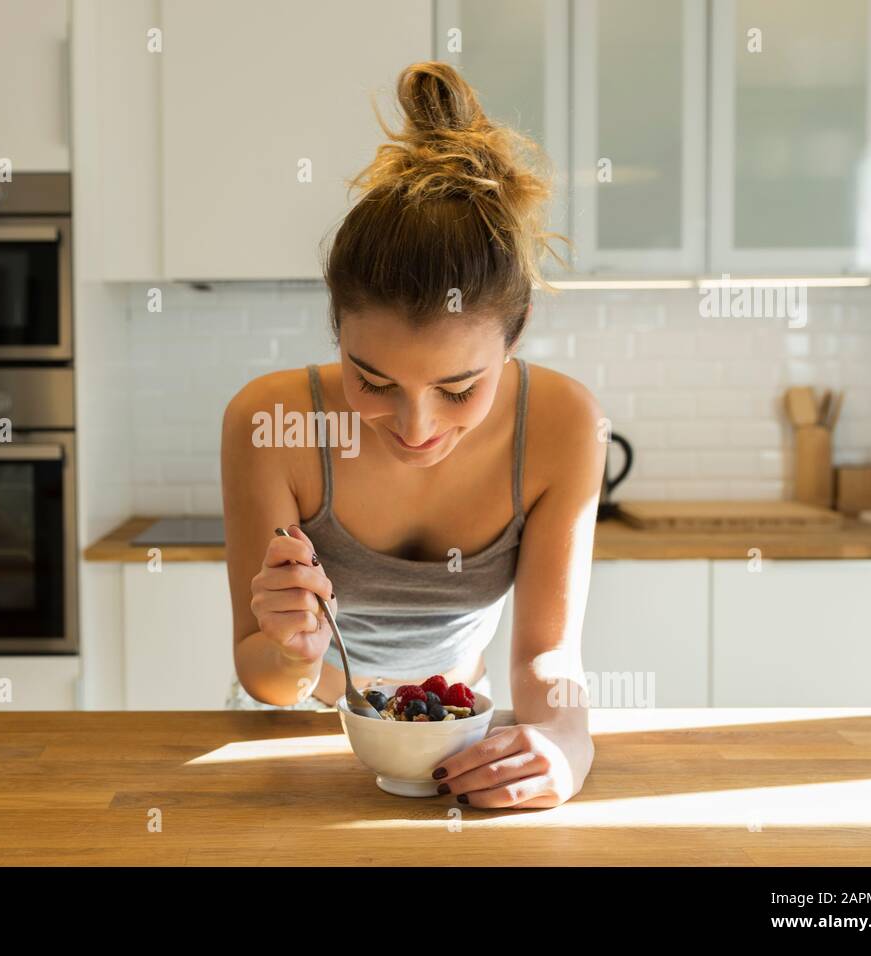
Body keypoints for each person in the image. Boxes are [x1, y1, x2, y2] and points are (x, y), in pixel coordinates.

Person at [220, 61, 601, 809]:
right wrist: (292, 650)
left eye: (459, 388)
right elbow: (262, 674)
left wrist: (566, 743)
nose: (417, 428)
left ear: (516, 334)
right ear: (336, 333)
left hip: (452, 737)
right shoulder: (271, 424)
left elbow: (548, 656)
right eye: (373, 381)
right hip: (290, 740)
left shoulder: (562, 425)